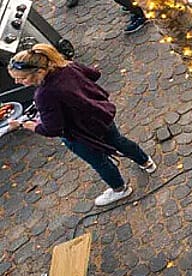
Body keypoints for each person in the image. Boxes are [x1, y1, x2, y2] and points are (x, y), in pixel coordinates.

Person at [6, 44, 155, 207]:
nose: (17, 81)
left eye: (21, 78)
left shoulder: (44, 94)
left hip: (80, 134)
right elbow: (95, 74)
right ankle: (146, 162)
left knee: (99, 162)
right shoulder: (68, 66)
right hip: (99, 117)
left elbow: (52, 129)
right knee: (119, 141)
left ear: (39, 72)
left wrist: (26, 125)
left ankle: (120, 190)